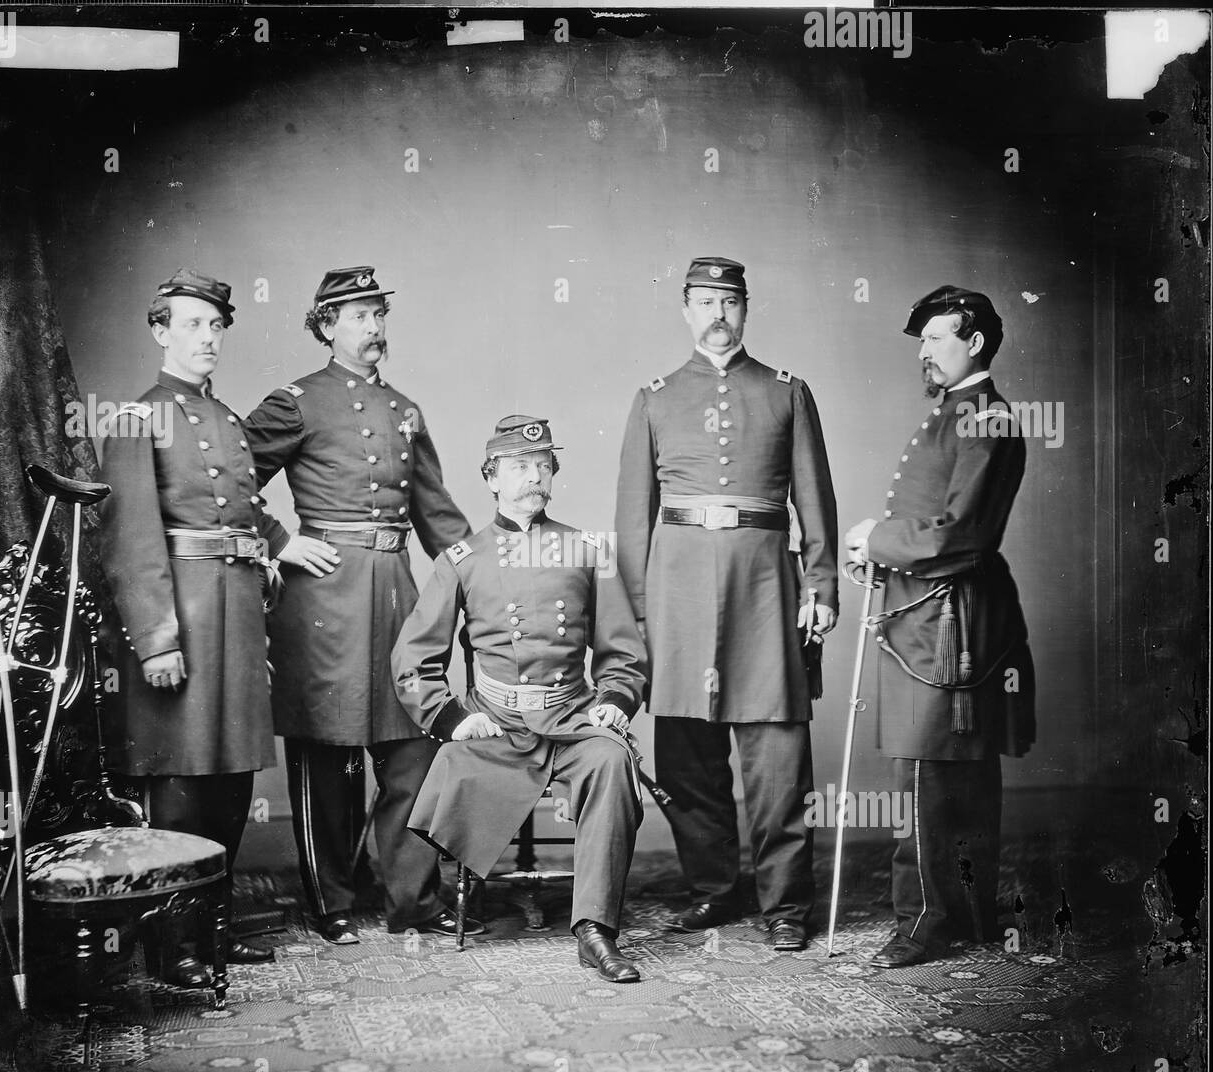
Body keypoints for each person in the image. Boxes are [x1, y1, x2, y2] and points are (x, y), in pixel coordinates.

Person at [100, 268, 322, 987]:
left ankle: (215, 932)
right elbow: (132, 539)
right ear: (161, 331)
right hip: (184, 616)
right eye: (192, 324)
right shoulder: (139, 417)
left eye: (216, 325)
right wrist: (157, 638)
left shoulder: (226, 420)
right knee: (183, 788)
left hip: (235, 610)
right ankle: (174, 947)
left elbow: (241, 509)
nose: (208, 337)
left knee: (229, 780)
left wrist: (281, 544)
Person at [243, 266, 475, 944]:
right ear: (326, 326)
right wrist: (279, 540)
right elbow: (226, 475)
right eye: (358, 315)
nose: (374, 327)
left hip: (397, 593)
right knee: (329, 756)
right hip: (324, 602)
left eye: (379, 314)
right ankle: (331, 899)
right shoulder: (297, 401)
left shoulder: (405, 409)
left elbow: (439, 518)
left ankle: (412, 898)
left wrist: (488, 581)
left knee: (412, 747)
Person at [615, 256, 839, 951]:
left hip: (766, 587)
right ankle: (714, 887)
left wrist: (823, 584)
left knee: (776, 754)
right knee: (686, 754)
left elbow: (815, 499)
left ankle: (785, 903)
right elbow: (631, 519)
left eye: (730, 301)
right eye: (705, 301)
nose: (718, 314)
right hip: (677, 589)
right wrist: (635, 616)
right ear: (685, 308)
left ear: (746, 309)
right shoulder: (653, 398)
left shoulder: (786, 392)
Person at [393, 416, 649, 982]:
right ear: (490, 478)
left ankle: (595, 930)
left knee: (610, 761)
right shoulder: (464, 559)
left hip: (572, 718)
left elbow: (623, 649)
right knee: (452, 763)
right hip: (498, 723)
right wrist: (451, 716)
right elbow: (414, 657)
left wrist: (615, 699)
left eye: (541, 466)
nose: (532, 477)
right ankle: (466, 892)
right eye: (517, 467)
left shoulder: (588, 551)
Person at [844, 284, 1035, 968]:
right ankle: (972, 916)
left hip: (952, 622)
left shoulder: (984, 416)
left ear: (975, 341)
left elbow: (963, 534)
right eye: (922, 339)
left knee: (931, 772)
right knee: (952, 772)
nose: (923, 350)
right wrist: (876, 553)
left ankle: (924, 923)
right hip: (931, 611)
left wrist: (876, 538)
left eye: (936, 337)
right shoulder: (957, 410)